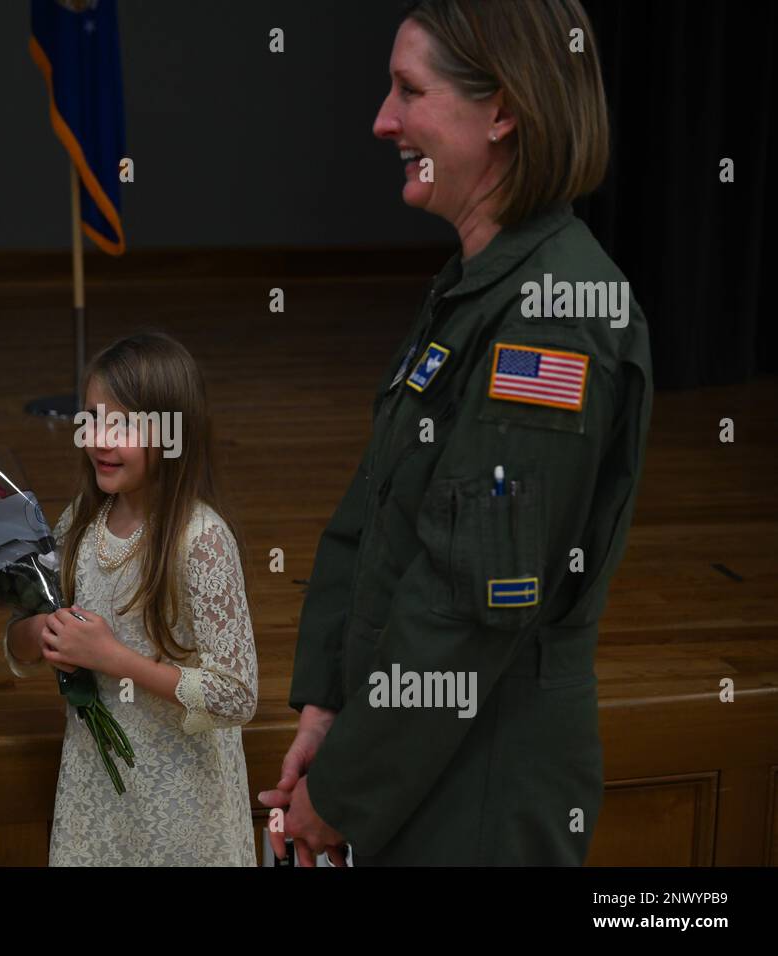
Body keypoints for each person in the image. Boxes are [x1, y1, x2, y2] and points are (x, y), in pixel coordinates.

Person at [261, 0, 653, 866]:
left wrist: (344, 787)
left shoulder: (553, 316)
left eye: (410, 90)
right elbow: (373, 516)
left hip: (479, 795)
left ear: (503, 110)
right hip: (413, 760)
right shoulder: (478, 284)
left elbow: (471, 607)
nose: (383, 119)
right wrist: (328, 706)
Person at [6, 332, 258, 865]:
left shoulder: (201, 540)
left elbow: (237, 696)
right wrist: (38, 635)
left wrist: (112, 659)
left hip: (184, 810)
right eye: (93, 418)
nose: (100, 438)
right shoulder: (81, 520)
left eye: (123, 424)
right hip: (97, 797)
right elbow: (25, 636)